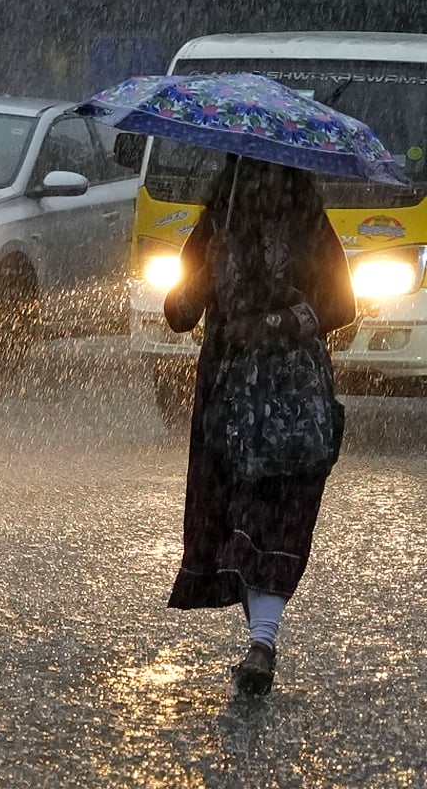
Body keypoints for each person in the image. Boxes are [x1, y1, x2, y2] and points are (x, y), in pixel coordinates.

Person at [162, 156, 356, 695]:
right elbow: (178, 313)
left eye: (272, 173)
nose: (262, 183)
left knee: (273, 513)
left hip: (290, 400)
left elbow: (342, 303)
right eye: (254, 172)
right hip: (230, 404)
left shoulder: (308, 226)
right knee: (251, 516)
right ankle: (263, 642)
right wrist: (199, 278)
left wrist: (276, 323)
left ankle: (262, 642)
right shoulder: (217, 224)